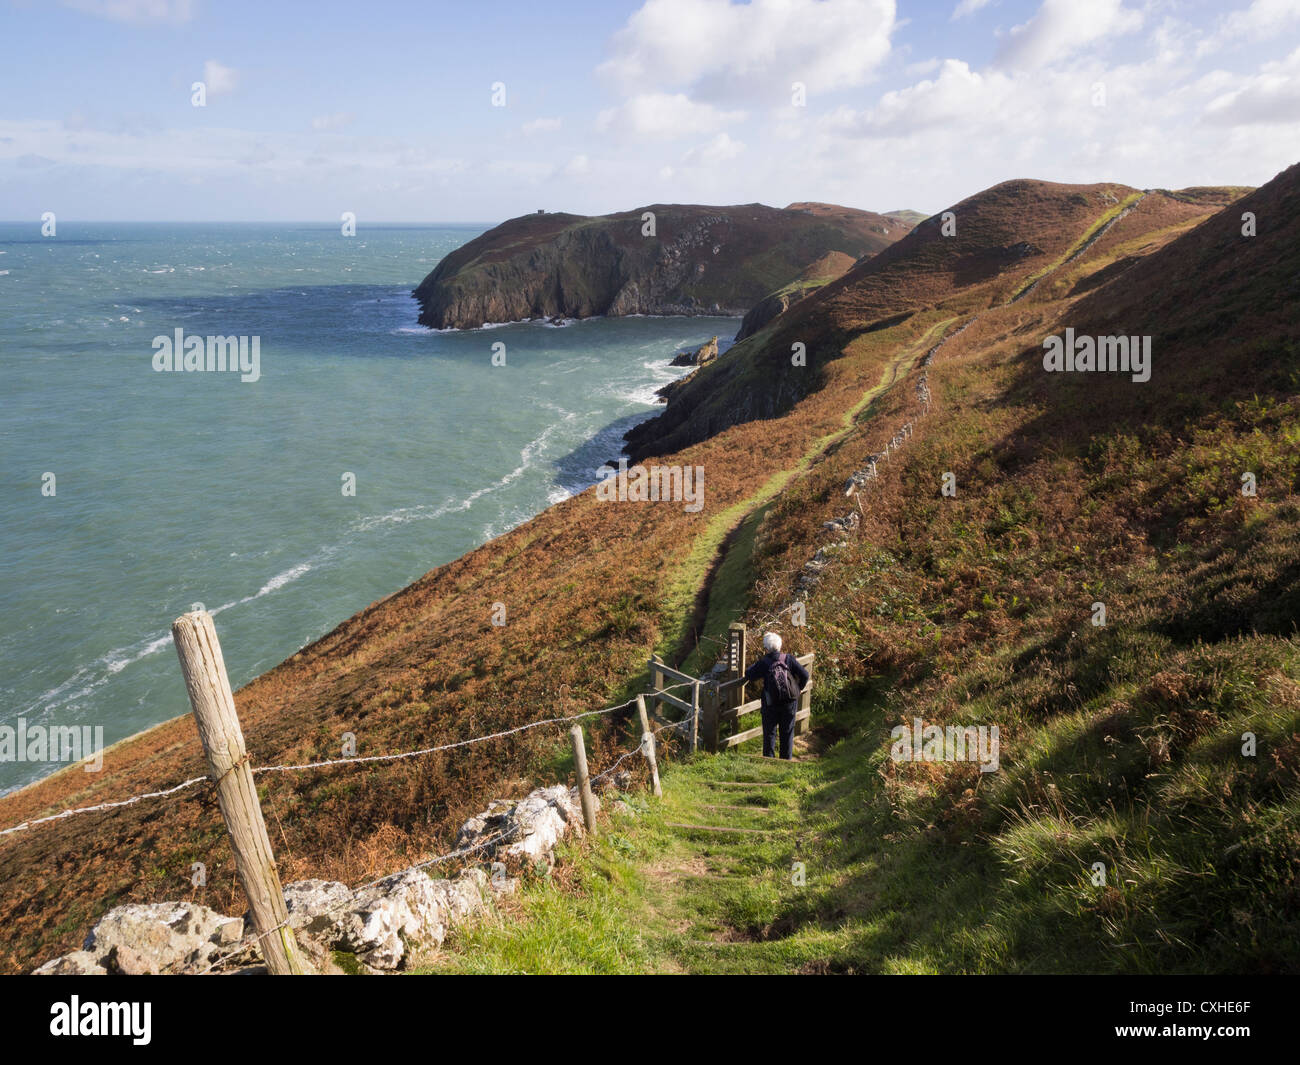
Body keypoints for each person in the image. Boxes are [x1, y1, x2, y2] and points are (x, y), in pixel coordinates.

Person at [743, 632, 809, 760]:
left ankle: (769, 761)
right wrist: (798, 689)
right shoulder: (788, 658)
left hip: (770, 703)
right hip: (789, 702)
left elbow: (749, 675)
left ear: (766, 649)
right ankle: (786, 761)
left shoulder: (764, 662)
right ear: (780, 646)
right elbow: (805, 675)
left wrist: (758, 662)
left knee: (770, 732)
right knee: (787, 732)